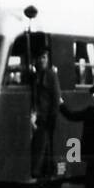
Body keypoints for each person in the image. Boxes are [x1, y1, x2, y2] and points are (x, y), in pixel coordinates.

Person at [29, 49, 63, 180]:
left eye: (44, 57)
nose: (42, 60)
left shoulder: (50, 75)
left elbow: (56, 96)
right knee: (42, 144)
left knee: (41, 143)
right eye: (40, 57)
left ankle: (37, 171)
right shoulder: (36, 75)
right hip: (38, 115)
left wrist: (52, 117)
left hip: (45, 116)